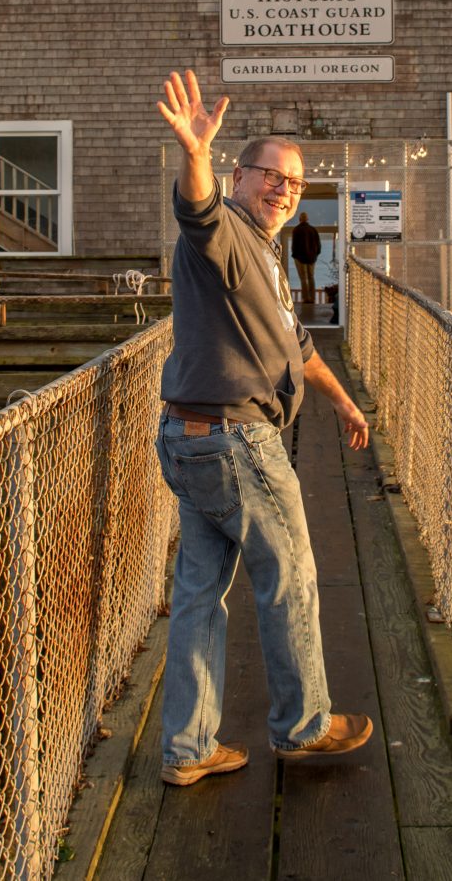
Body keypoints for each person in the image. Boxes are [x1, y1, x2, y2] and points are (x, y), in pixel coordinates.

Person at [152, 68, 375, 787]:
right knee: (293, 575)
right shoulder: (221, 235)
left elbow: (298, 347)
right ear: (240, 176)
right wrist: (195, 152)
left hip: (190, 441)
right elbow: (198, 210)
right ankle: (304, 726)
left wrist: (342, 401)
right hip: (235, 439)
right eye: (271, 176)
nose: (283, 188)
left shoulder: (267, 258)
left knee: (197, 593)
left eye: (296, 182)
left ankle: (189, 749)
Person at [290, 210, 322, 318]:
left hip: (300, 258)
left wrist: (295, 255)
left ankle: (305, 298)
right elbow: (318, 245)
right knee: (311, 277)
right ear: (307, 219)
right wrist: (315, 254)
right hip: (312, 258)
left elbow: (294, 245)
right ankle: (312, 298)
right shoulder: (313, 230)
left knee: (303, 279)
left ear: (300, 219)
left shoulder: (296, 230)